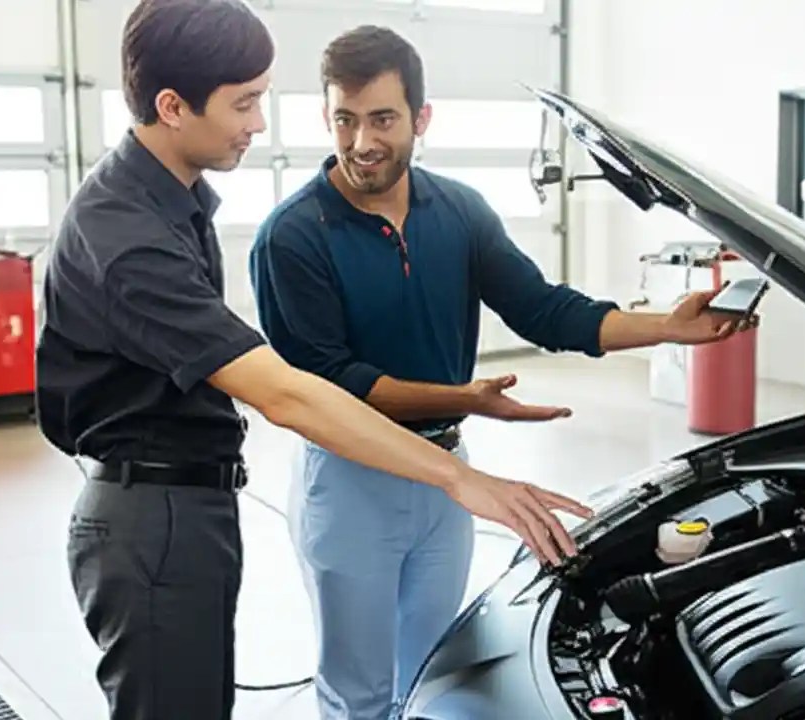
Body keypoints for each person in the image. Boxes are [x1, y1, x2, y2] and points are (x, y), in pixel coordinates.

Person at [36, 4, 590, 719]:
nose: (258, 123)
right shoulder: (130, 237)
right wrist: (460, 475)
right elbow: (290, 394)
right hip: (154, 518)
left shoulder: (173, 205)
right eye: (243, 102)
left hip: (189, 502)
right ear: (172, 106)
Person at [247, 24, 753, 720]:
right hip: (350, 484)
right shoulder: (293, 235)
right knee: (357, 692)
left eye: (383, 119)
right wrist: (466, 398)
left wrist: (667, 325)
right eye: (345, 119)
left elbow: (546, 310)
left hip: (446, 485)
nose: (363, 141)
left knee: (430, 675)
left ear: (421, 119)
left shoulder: (458, 211)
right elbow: (332, 383)